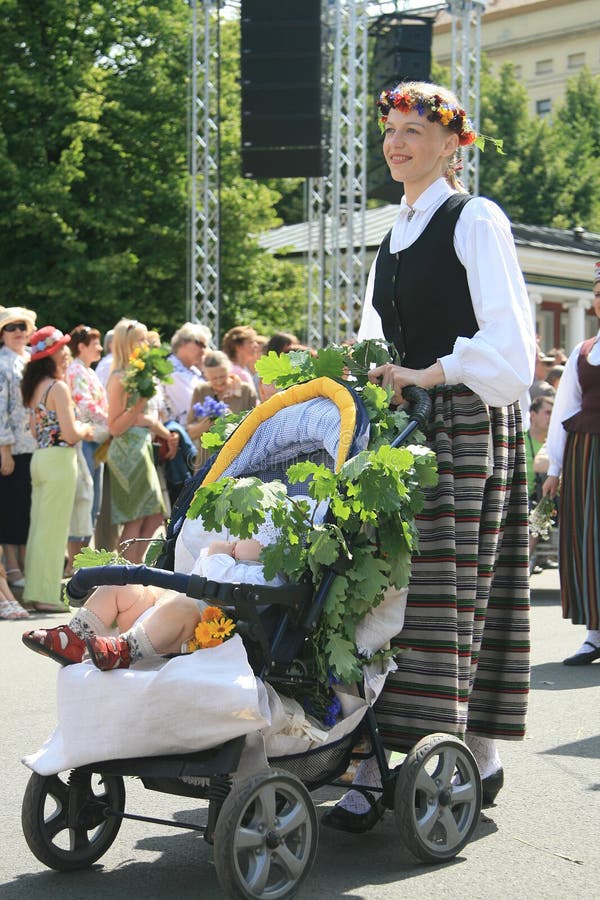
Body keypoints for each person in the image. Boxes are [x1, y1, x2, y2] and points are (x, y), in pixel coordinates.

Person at [323, 80, 535, 833]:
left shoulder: (474, 217)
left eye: (415, 130)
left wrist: (433, 373)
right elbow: (379, 336)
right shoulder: (393, 232)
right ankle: (395, 751)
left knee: (450, 588)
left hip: (465, 423)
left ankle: (454, 752)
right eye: (391, 129)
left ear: (452, 145)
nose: (398, 141)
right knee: (386, 590)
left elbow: (512, 348)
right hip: (404, 427)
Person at [22, 535, 281, 668]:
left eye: (242, 542)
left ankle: (122, 650)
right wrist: (221, 554)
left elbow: (218, 581)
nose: (233, 544)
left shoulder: (268, 575)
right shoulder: (229, 559)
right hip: (159, 615)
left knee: (184, 607)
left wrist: (217, 555)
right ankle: (75, 636)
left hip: (188, 630)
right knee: (121, 586)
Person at [544, 261, 600, 666]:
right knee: (586, 540)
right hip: (584, 456)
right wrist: (554, 469)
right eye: (597, 295)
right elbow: (567, 406)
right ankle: (595, 632)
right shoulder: (585, 352)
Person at [21, 326, 95, 612]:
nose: (66, 353)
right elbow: (71, 433)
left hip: (39, 459)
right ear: (51, 355)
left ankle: (36, 590)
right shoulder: (58, 387)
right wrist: (87, 429)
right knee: (54, 531)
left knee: (40, 528)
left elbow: (32, 429)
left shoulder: (33, 388)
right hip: (60, 461)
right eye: (62, 348)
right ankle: (47, 596)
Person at [0, 306, 37, 600]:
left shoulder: (28, 360)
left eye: (22, 327)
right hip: (12, 448)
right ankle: (12, 566)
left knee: (26, 508)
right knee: (11, 509)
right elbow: (0, 411)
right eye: (11, 328)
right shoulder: (2, 363)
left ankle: (25, 564)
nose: (18, 333)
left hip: (33, 446)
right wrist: (5, 450)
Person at [66, 325, 110, 572]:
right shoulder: (76, 370)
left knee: (92, 500)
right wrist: (110, 420)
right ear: (81, 346)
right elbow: (85, 404)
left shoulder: (87, 371)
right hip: (87, 437)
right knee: (84, 499)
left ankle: (82, 560)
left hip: (97, 436)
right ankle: (76, 562)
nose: (100, 348)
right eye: (95, 343)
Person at [187, 349, 258, 469]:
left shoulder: (246, 392)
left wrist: (230, 420)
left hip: (236, 461)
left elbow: (255, 429)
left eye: (222, 376)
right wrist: (207, 424)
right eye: (214, 378)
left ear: (229, 371)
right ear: (206, 375)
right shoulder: (201, 391)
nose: (219, 382)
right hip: (205, 462)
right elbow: (190, 433)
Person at [525, 396, 554, 574]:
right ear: (533, 415)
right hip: (514, 495)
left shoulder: (552, 444)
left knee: (534, 517)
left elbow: (540, 464)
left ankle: (520, 568)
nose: (551, 417)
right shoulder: (518, 439)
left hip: (541, 501)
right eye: (547, 412)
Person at [162, 322, 211, 426]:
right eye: (200, 344)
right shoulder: (172, 372)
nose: (204, 351)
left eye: (205, 346)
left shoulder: (194, 370)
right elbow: (195, 407)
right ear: (183, 342)